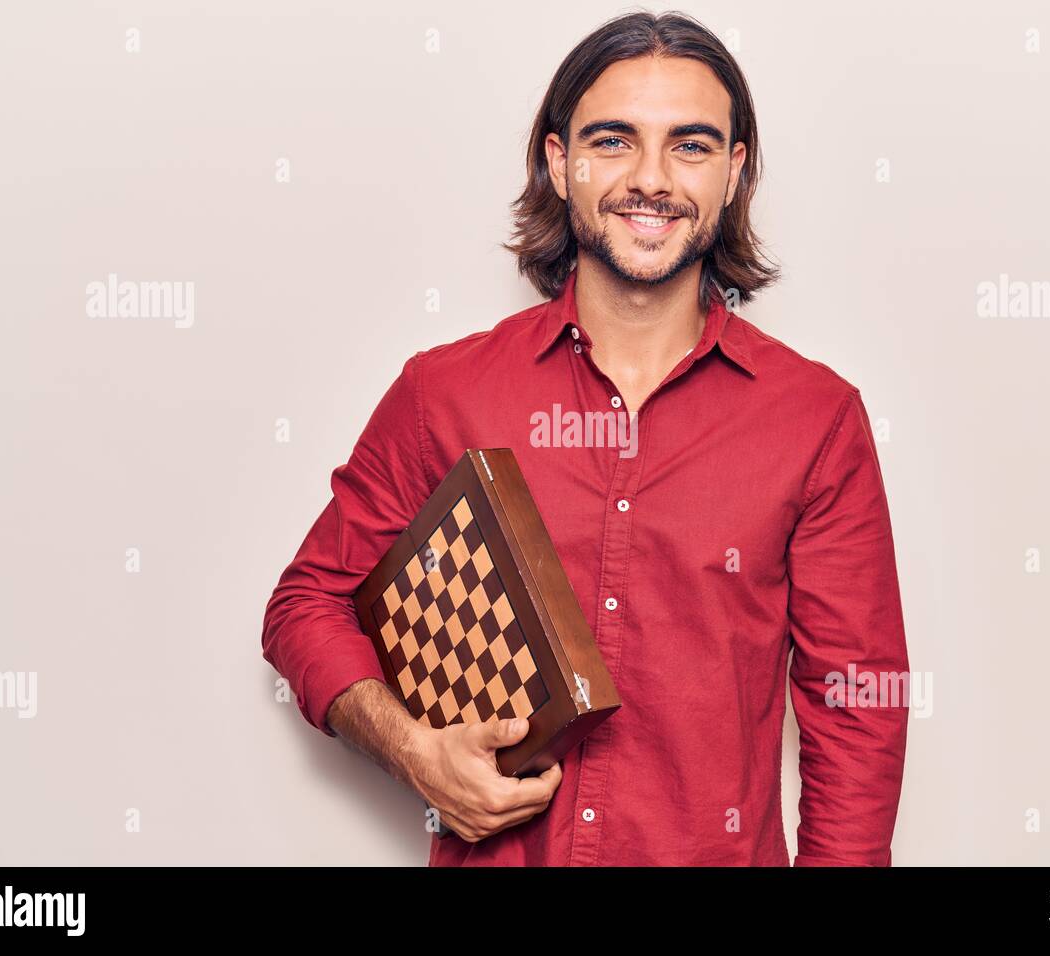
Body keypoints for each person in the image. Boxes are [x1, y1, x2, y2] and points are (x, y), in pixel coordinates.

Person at [262, 10, 910, 867]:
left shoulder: (816, 420)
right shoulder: (444, 393)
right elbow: (305, 606)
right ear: (560, 162)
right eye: (613, 141)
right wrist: (415, 752)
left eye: (691, 146)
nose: (651, 179)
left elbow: (855, 712)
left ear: (734, 174)